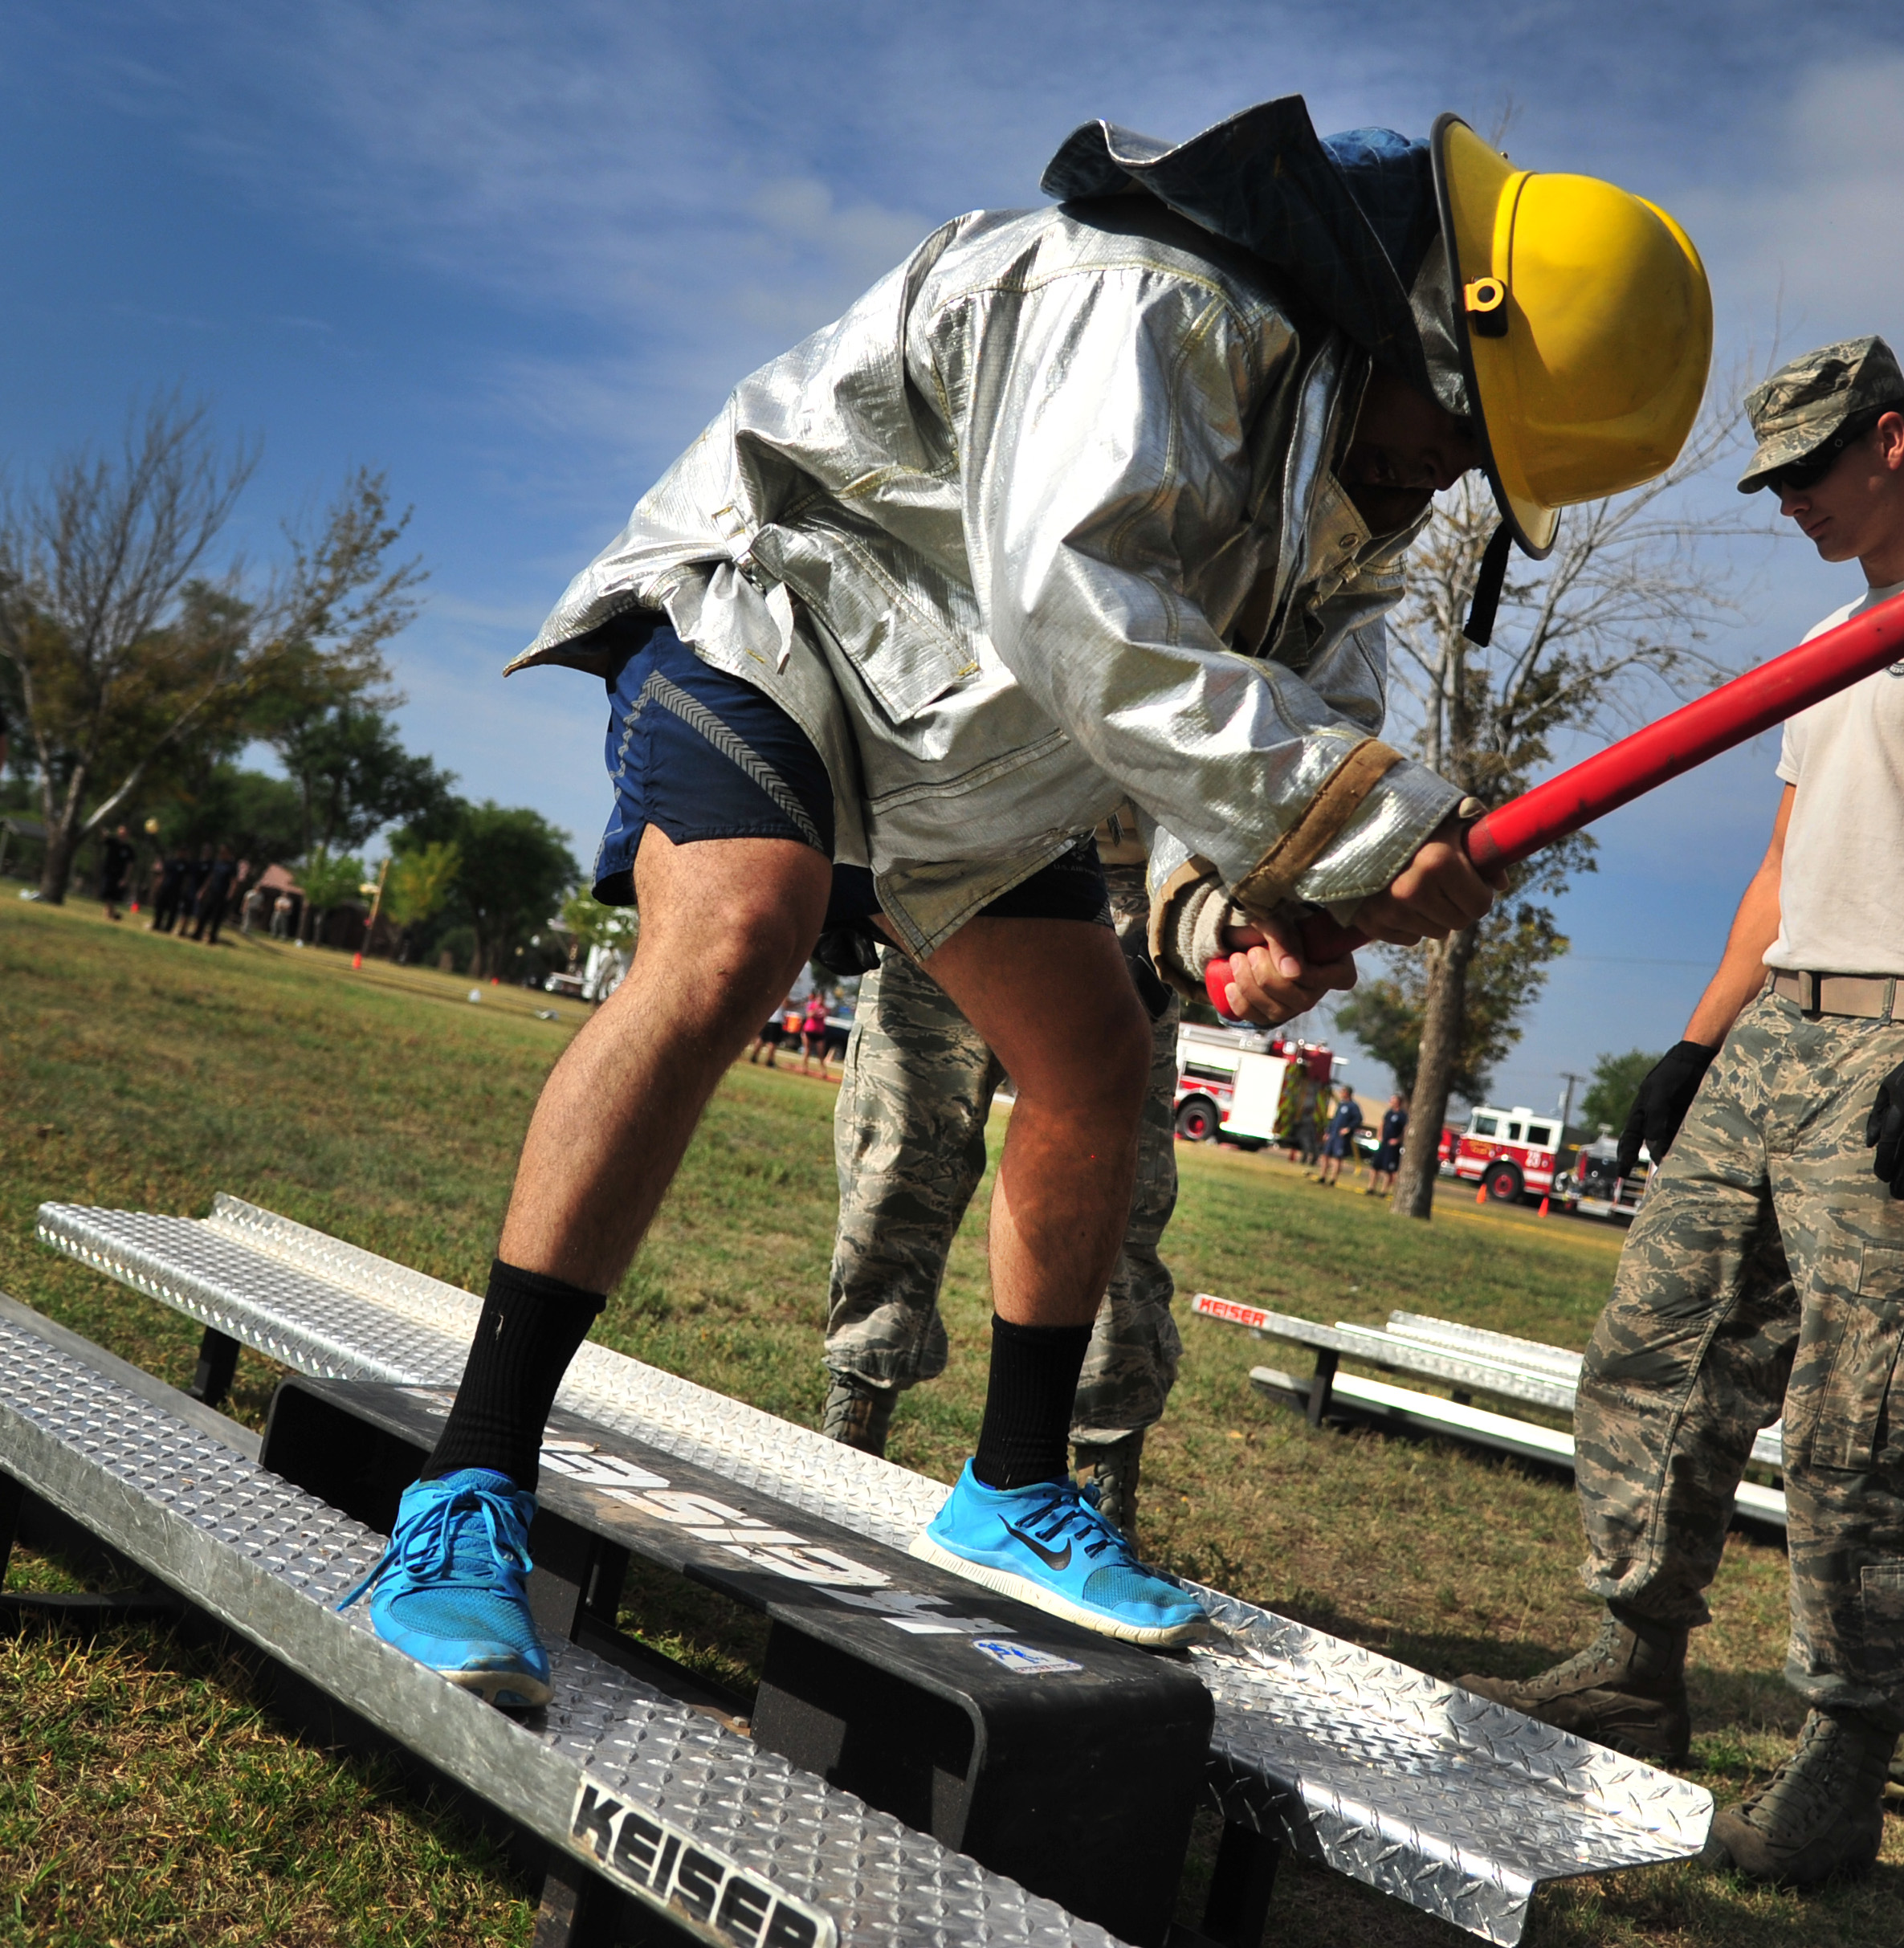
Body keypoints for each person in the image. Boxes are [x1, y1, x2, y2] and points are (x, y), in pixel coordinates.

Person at [338, 97, 1709, 1710]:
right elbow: (1070, 598)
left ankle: (1008, 1485)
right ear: (1429, 320)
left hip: (976, 761)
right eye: (1468, 424)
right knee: (737, 934)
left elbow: (1271, 750)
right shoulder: (1153, 301)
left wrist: (1249, 916)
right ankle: (467, 1488)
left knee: (1096, 1058)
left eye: (1488, 465)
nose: (1454, 472)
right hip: (788, 611)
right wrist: (1358, 822)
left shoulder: (1359, 500)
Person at [1461, 339, 1904, 1889]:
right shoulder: (1831, 636)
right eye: (1775, 484)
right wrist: (1696, 1046)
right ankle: (1636, 1666)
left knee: (1866, 1424)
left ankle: (1841, 1764)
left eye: (1811, 471)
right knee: (1656, 1353)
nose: (1791, 504)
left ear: (1891, 439)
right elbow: (1779, 865)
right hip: (1777, 1033)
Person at [819, 808, 1184, 1537]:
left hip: (1122, 894)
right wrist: (841, 857)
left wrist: (1170, 917)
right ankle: (850, 1425)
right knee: (892, 1173)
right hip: (942, 866)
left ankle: (1105, 1478)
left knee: (1112, 1201)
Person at [1366, 1088, 1410, 1196]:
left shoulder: (1402, 1116)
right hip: (1383, 1143)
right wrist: (1379, 1136)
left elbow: (1405, 1130)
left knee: (1388, 1170)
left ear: (1398, 1102)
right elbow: (1382, 1124)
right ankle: (1371, 1188)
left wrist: (1398, 1140)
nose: (1390, 1102)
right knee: (1375, 1167)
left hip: (1393, 1147)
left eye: (1393, 1100)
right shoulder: (1389, 1113)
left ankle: (1383, 1191)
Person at [1319, 1083, 1364, 1187]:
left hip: (1341, 1137)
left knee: (1338, 1157)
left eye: (1342, 1092)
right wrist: (1328, 1132)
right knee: (1325, 1155)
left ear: (1347, 1093)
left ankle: (1333, 1179)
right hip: (1333, 1135)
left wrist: (1348, 1129)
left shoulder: (1353, 1106)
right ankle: (1322, 1176)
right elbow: (1335, 1119)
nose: (1340, 1093)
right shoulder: (1341, 1105)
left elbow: (1358, 1119)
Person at [96, 825, 135, 923]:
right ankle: (112, 913)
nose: (122, 835)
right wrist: (102, 828)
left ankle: (110, 913)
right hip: (109, 872)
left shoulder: (129, 849)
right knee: (107, 893)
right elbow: (104, 837)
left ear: (128, 835)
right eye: (121, 832)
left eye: (124, 833)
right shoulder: (113, 842)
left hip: (120, 875)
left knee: (113, 896)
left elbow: (130, 865)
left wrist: (126, 878)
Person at [798, 989, 831, 1077]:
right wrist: (815, 1009)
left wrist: (823, 1010)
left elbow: (826, 1015)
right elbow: (809, 1015)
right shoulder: (812, 1005)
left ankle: (823, 1071)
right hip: (809, 1030)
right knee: (807, 1050)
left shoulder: (824, 1008)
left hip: (819, 1032)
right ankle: (804, 1068)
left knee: (821, 1052)